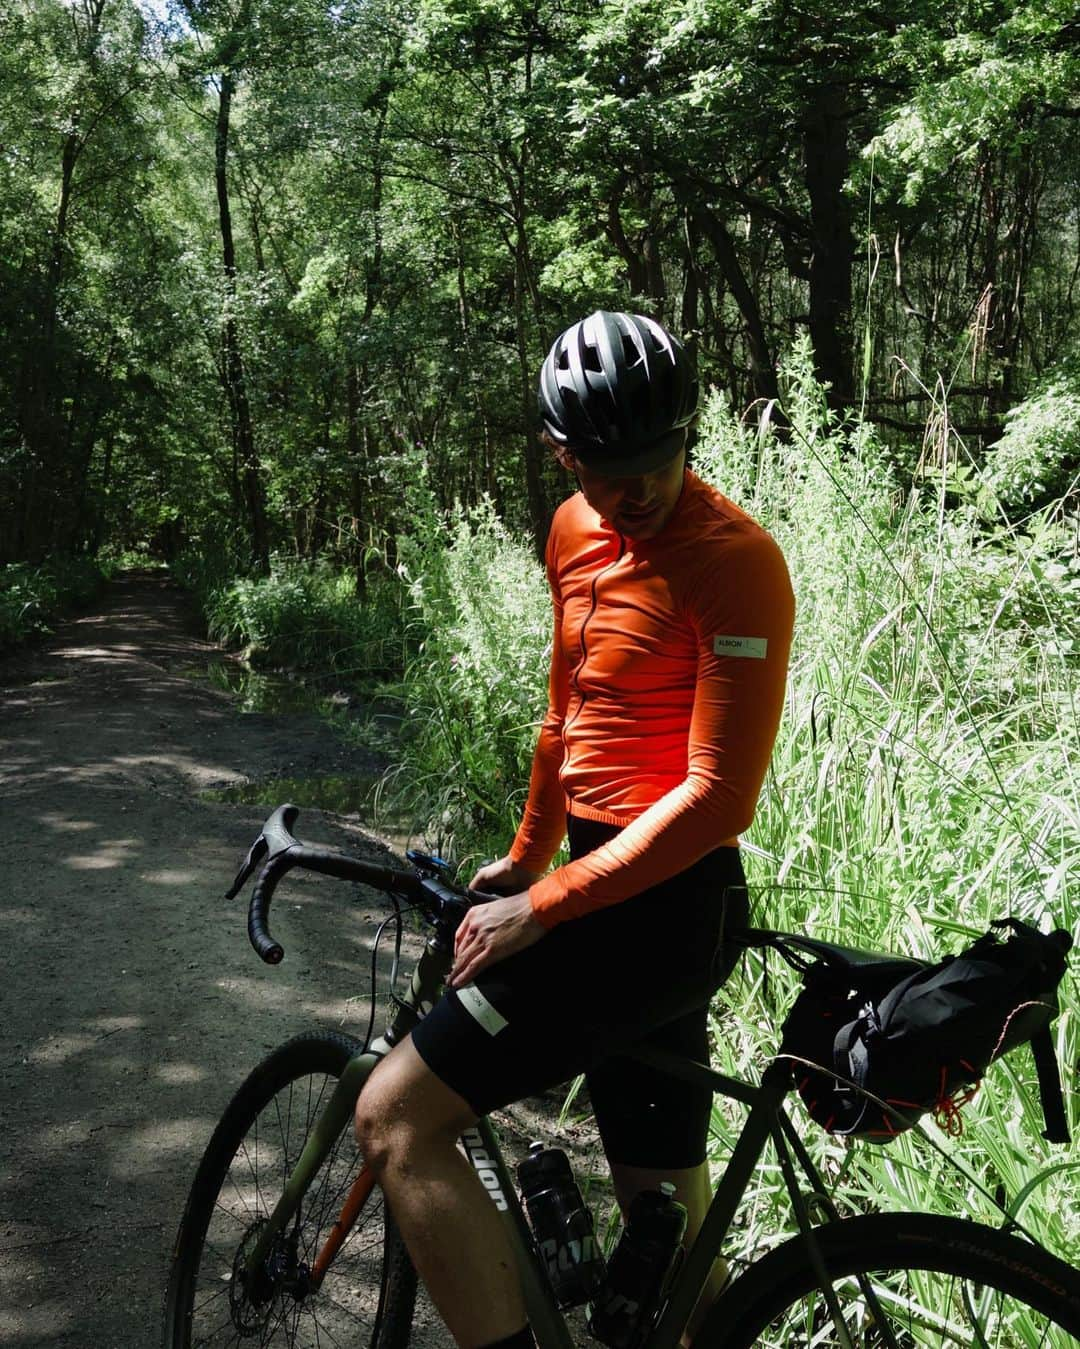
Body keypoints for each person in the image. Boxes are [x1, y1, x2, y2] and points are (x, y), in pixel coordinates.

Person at [355, 310, 794, 1349]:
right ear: (563, 452)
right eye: (608, 469)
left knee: (395, 1117)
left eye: (660, 459)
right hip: (599, 887)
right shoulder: (570, 529)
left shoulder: (737, 562)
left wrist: (544, 905)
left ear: (687, 435)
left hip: (667, 911)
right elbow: (568, 708)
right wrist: (528, 851)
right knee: (665, 1237)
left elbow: (721, 796)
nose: (638, 489)